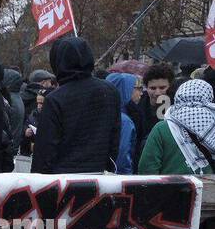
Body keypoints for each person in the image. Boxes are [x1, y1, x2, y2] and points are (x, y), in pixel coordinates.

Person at [31, 36, 121, 174]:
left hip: (63, 183)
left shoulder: (55, 99)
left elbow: (44, 152)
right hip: (99, 178)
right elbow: (114, 139)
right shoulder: (110, 91)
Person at [137, 78, 215, 175]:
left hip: (169, 188)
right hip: (208, 187)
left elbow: (147, 168)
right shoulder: (212, 124)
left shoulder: (162, 128)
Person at [136, 63, 175, 158]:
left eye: (162, 88)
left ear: (170, 86)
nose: (157, 93)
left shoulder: (176, 107)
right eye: (153, 88)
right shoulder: (138, 106)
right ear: (146, 87)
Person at [105, 72, 139, 175]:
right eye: (135, 88)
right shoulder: (124, 121)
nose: (140, 93)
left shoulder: (104, 114)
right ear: (124, 90)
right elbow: (122, 154)